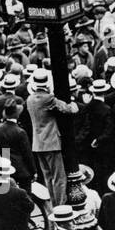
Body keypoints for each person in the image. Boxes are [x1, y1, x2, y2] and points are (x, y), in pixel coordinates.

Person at [27, 69, 77, 206]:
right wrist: (74, 104)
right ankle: (61, 207)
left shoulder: (30, 99)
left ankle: (54, 204)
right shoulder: (48, 99)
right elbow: (68, 109)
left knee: (48, 177)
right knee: (59, 178)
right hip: (51, 143)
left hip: (38, 144)